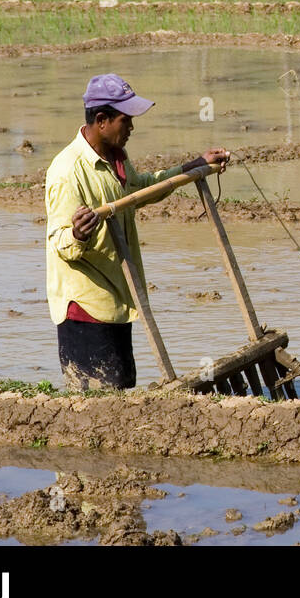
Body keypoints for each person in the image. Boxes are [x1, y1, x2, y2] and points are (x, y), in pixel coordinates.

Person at [45, 74, 230, 390]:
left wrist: (194, 166)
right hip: (86, 309)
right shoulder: (67, 172)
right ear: (102, 120)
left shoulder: (116, 158)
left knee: (119, 393)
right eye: (125, 120)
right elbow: (60, 243)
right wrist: (77, 234)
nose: (131, 127)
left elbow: (141, 188)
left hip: (117, 299)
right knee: (96, 406)